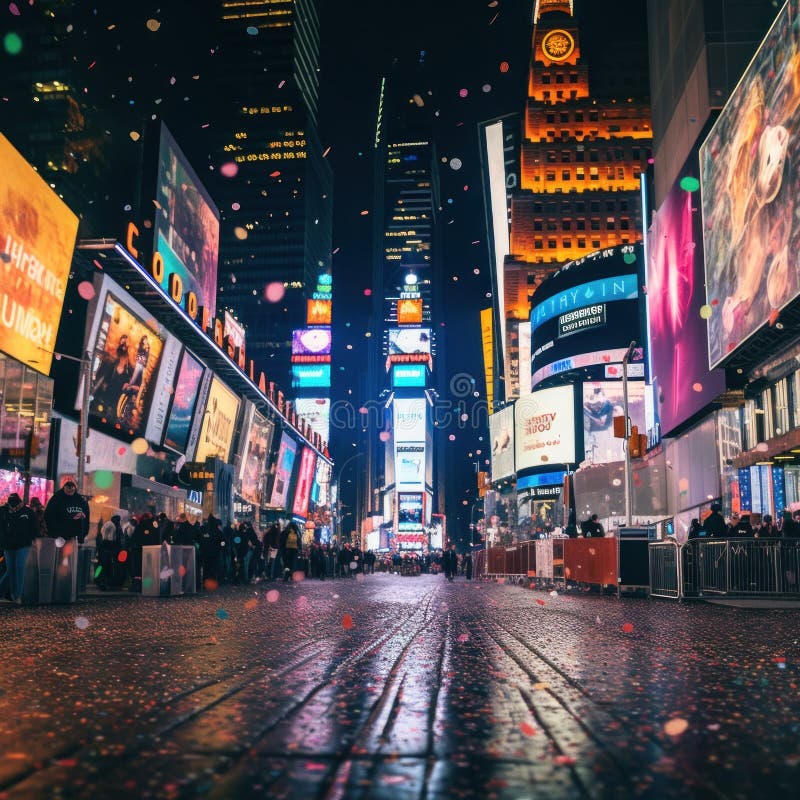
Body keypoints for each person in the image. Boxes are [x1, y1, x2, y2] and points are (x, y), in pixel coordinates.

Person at [0, 494, 39, 603]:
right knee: (11, 569)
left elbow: (34, 527)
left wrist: (31, 538)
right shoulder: (4, 511)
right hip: (9, 545)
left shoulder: (27, 512)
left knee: (19, 567)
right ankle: (12, 594)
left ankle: (17, 595)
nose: (14, 508)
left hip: (23, 544)